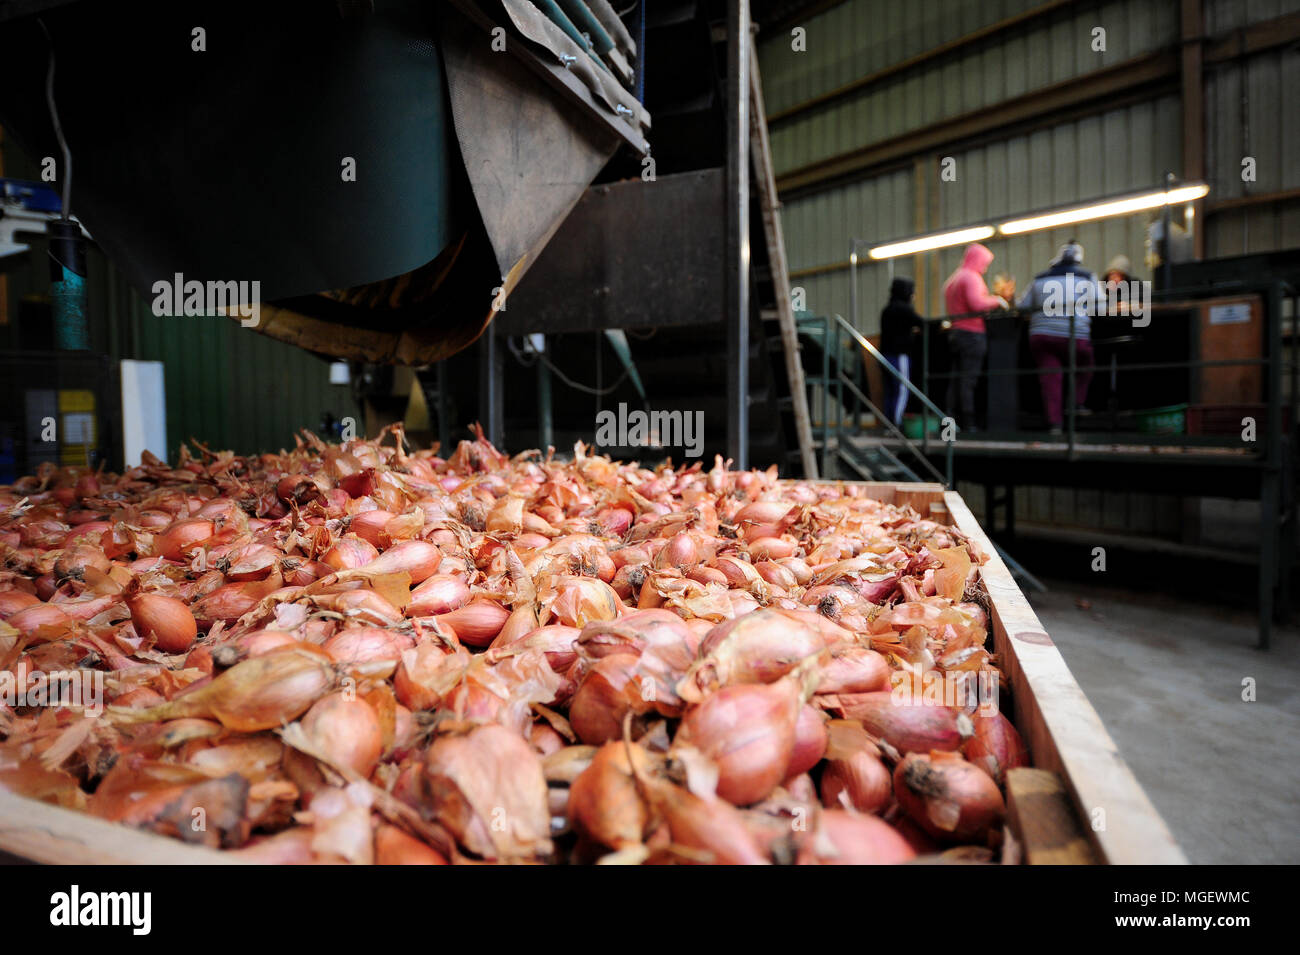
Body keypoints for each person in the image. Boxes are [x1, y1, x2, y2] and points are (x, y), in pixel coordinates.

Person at [1018, 241, 1099, 435]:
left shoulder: (1039, 279)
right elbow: (1100, 307)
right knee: (1086, 364)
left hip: (1041, 336)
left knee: (1051, 378)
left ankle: (1055, 425)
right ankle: (1076, 403)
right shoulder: (1087, 277)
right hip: (1074, 335)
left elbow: (1022, 307)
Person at [941, 243, 1008, 430]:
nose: (985, 268)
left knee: (955, 380)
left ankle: (950, 423)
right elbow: (976, 303)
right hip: (972, 335)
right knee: (968, 380)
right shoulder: (971, 277)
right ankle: (969, 424)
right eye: (984, 263)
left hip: (955, 334)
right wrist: (998, 301)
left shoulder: (953, 279)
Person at [879, 277, 923, 427]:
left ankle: (888, 424)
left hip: (885, 355)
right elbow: (921, 322)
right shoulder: (903, 309)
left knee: (890, 392)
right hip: (899, 356)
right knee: (902, 390)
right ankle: (896, 425)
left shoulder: (887, 309)